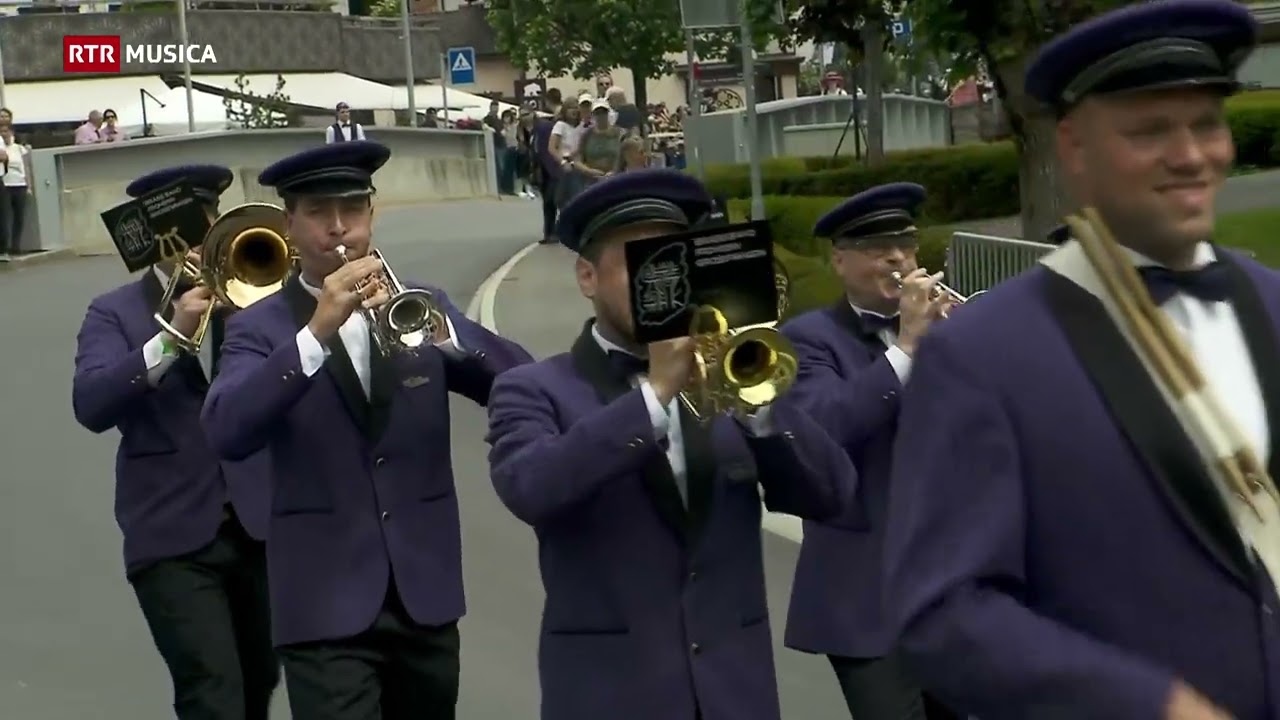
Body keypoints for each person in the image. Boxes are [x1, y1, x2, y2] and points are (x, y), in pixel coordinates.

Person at [883, 2, 1280, 718]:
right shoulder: (981, 355)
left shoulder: (1276, 306)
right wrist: (1147, 705)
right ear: (1073, 148)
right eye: (1150, 130)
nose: (1192, 154)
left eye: (1207, 123)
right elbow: (941, 614)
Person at [485, 168, 856, 720]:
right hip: (610, 697)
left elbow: (833, 493)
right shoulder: (534, 388)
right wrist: (655, 395)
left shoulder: (732, 375)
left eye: (676, 258)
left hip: (736, 693)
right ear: (587, 276)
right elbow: (532, 487)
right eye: (640, 261)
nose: (662, 278)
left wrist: (757, 409)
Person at [200, 141, 533, 720]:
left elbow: (524, 386)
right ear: (290, 226)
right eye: (319, 213)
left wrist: (449, 339)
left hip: (422, 596)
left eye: (352, 210)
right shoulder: (257, 328)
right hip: (324, 606)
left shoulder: (424, 304)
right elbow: (226, 429)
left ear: (372, 216)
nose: (338, 229)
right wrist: (315, 335)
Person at [72, 165, 279, 720]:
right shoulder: (114, 312)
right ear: (152, 235)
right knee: (211, 690)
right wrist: (169, 339)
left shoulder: (260, 301)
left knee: (260, 680)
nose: (193, 243)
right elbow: (90, 404)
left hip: (262, 525)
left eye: (205, 225)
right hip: (171, 534)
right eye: (179, 229)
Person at [779, 183, 957, 720]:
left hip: (950, 586)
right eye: (878, 248)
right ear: (839, 260)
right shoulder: (808, 339)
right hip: (862, 595)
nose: (898, 257)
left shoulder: (953, 330)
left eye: (904, 243)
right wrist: (905, 349)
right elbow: (826, 423)